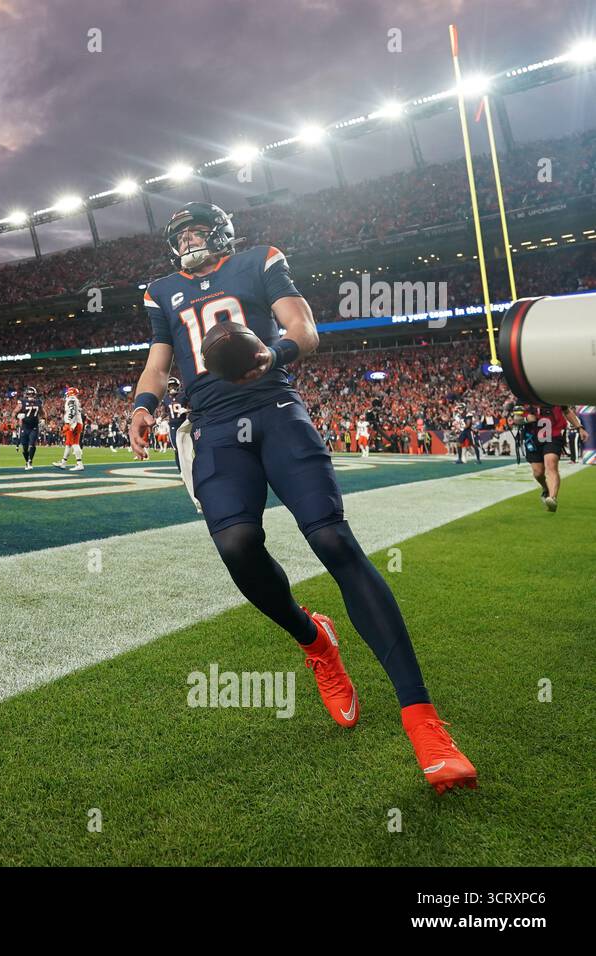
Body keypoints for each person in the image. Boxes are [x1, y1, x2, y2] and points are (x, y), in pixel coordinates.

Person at [129, 201, 476, 793]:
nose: (188, 241)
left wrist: (272, 354)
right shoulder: (161, 291)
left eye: (197, 231)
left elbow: (304, 330)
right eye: (179, 235)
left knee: (333, 539)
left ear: (221, 233)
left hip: (275, 408)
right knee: (237, 545)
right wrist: (142, 404)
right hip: (214, 427)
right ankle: (316, 641)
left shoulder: (259, 261)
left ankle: (424, 724)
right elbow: (159, 363)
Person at [54, 386, 84, 471]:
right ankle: (63, 463)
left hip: (73, 423)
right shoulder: (75, 400)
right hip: (76, 423)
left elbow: (72, 411)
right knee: (68, 444)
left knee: (74, 443)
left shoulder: (71, 399)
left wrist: (70, 423)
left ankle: (79, 464)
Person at [14, 385, 41, 470]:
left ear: (35, 395)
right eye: (29, 394)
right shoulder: (22, 402)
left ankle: (30, 461)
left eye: (32, 394)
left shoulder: (38, 402)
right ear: (27, 395)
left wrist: (44, 420)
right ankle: (27, 461)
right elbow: (14, 412)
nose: (31, 396)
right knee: (25, 448)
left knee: (32, 444)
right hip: (24, 427)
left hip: (34, 427)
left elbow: (44, 412)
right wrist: (17, 417)